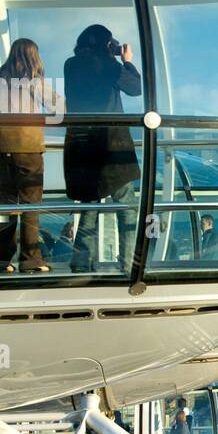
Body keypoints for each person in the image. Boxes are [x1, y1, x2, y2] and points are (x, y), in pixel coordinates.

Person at [0, 37, 63, 273]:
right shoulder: (33, 80)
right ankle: (31, 260)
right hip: (27, 148)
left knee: (6, 203)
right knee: (31, 204)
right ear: (34, 56)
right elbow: (59, 109)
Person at [63, 24, 142, 273]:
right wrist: (126, 61)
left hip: (82, 142)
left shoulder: (71, 64)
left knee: (89, 203)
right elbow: (135, 88)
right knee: (126, 206)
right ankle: (128, 265)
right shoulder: (109, 65)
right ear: (107, 45)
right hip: (111, 144)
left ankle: (81, 263)